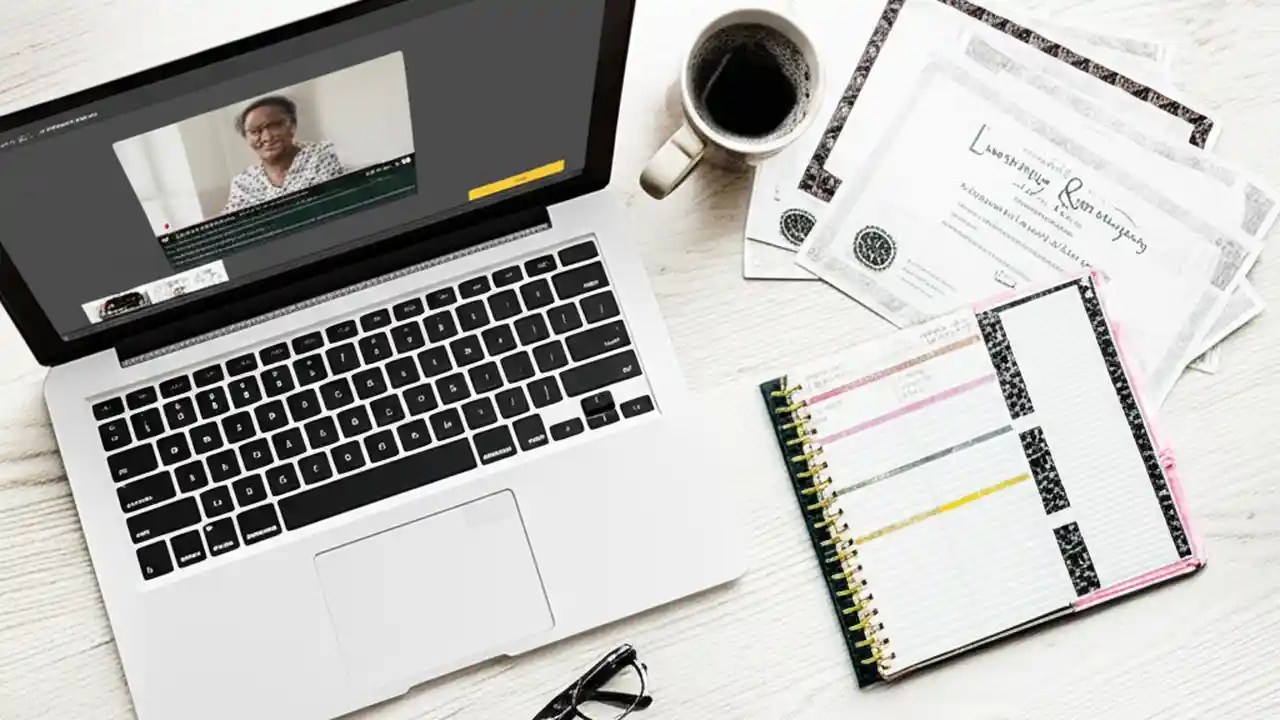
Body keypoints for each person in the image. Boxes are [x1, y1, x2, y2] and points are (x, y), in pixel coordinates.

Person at [222, 95, 346, 214]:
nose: (267, 137)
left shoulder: (322, 157)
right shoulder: (242, 184)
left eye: (274, 126)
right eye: (255, 132)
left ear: (292, 126)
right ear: (246, 138)